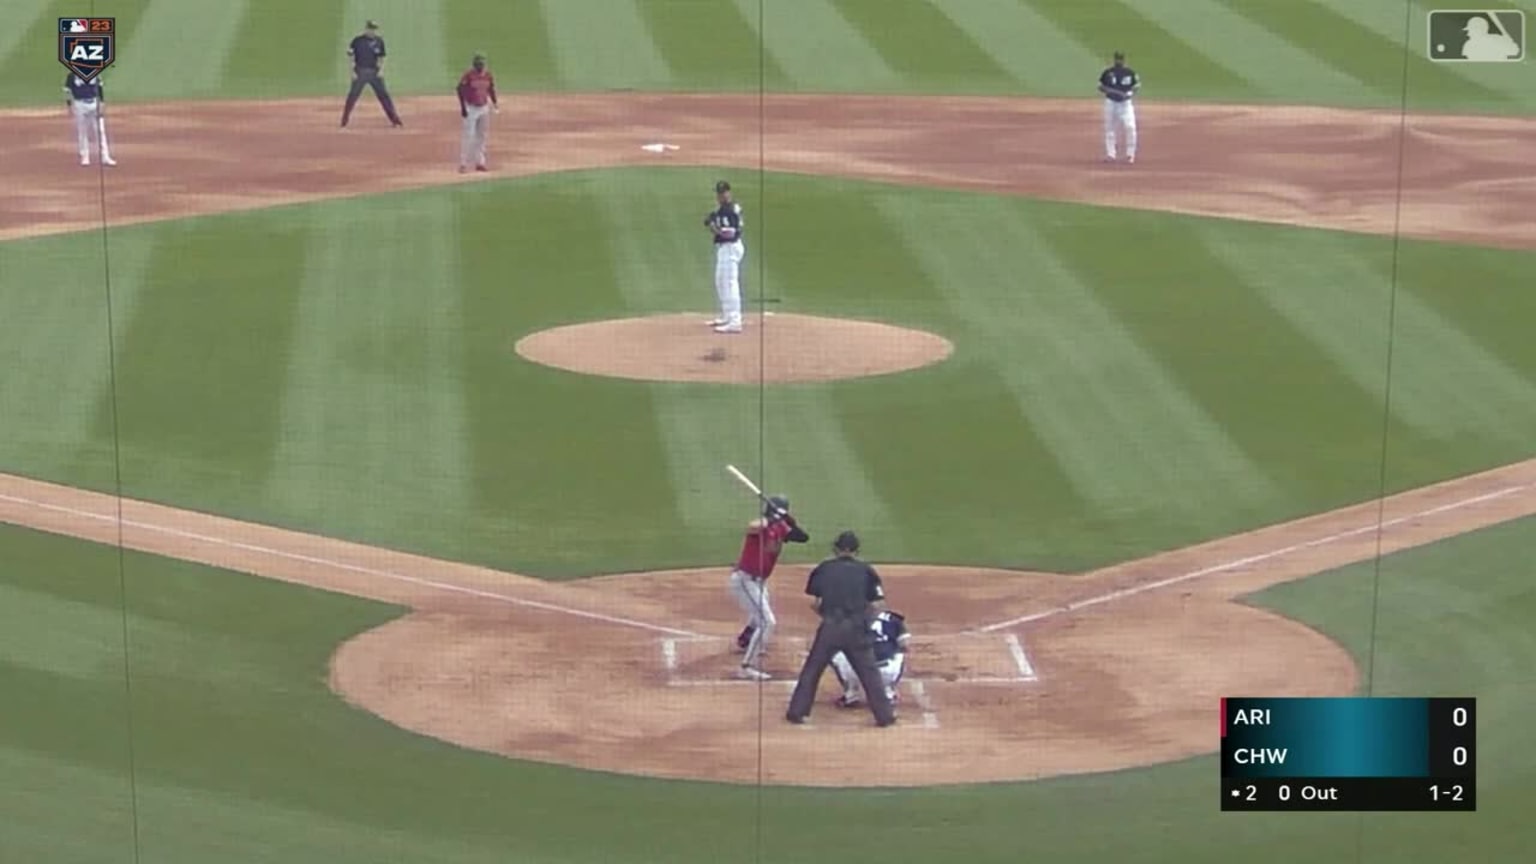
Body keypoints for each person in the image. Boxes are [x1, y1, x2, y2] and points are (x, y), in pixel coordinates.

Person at [785, 531, 897, 727]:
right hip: (856, 627)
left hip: (830, 626)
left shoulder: (823, 569)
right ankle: (884, 716)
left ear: (836, 549)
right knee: (869, 672)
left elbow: (815, 602)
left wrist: (828, 616)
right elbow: (878, 605)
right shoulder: (866, 570)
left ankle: (797, 712)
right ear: (856, 550)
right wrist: (862, 620)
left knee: (812, 669)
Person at [728, 495, 808, 679]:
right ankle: (746, 667)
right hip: (745, 580)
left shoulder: (780, 527)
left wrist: (790, 522)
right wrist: (773, 518)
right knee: (767, 621)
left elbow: (803, 538)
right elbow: (752, 526)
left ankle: (746, 639)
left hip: (758, 582)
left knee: (762, 608)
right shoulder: (762, 525)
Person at [830, 607, 910, 708]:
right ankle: (888, 693)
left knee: (835, 651)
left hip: (855, 671)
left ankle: (851, 693)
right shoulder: (893, 619)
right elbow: (905, 645)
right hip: (887, 672)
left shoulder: (847, 618)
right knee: (899, 653)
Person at [340, 20, 404, 128]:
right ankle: (344, 120)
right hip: (360, 71)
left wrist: (381, 70)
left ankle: (395, 120)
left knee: (384, 96)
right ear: (366, 29)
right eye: (371, 29)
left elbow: (382, 57)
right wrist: (352, 71)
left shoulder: (379, 41)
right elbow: (351, 56)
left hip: (374, 72)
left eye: (374, 29)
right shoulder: (357, 41)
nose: (372, 31)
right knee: (353, 96)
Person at [703, 180, 745, 333]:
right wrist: (712, 219)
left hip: (730, 248)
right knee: (721, 281)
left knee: (729, 283)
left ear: (728, 193)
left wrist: (713, 227)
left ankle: (735, 321)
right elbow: (716, 218)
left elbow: (731, 233)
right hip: (725, 249)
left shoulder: (730, 210)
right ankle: (727, 316)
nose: (719, 196)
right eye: (718, 193)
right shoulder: (725, 209)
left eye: (721, 193)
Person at [456, 52, 499, 173]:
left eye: (482, 64)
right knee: (468, 135)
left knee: (482, 135)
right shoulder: (468, 75)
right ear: (475, 65)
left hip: (484, 107)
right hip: (471, 108)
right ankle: (463, 163)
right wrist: (463, 108)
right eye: (479, 64)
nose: (481, 66)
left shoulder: (488, 75)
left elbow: (491, 89)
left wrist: (495, 103)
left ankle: (480, 162)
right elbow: (459, 89)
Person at [64, 71, 115, 167]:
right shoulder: (71, 75)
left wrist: (101, 103)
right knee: (82, 131)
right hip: (79, 104)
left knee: (100, 131)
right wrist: (69, 105)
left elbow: (99, 87)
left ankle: (105, 157)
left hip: (94, 103)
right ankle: (85, 156)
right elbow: (68, 90)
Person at [1098, 51, 1139, 163]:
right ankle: (1111, 154)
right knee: (1110, 128)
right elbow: (1101, 87)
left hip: (1126, 104)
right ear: (1114, 60)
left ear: (1124, 60)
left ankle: (1130, 154)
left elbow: (1136, 86)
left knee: (1130, 127)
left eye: (1120, 59)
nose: (1118, 61)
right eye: (1117, 59)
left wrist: (1129, 93)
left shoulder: (1130, 73)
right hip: (1111, 103)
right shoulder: (1108, 72)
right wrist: (1114, 92)